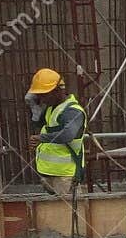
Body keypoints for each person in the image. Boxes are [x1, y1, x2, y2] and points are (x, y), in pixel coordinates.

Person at [27, 68, 86, 198]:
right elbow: (37, 123)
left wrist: (41, 138)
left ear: (58, 91)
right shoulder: (52, 109)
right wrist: (32, 104)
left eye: (44, 94)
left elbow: (68, 135)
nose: (42, 99)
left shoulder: (72, 111)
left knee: (67, 215)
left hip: (65, 176)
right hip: (50, 174)